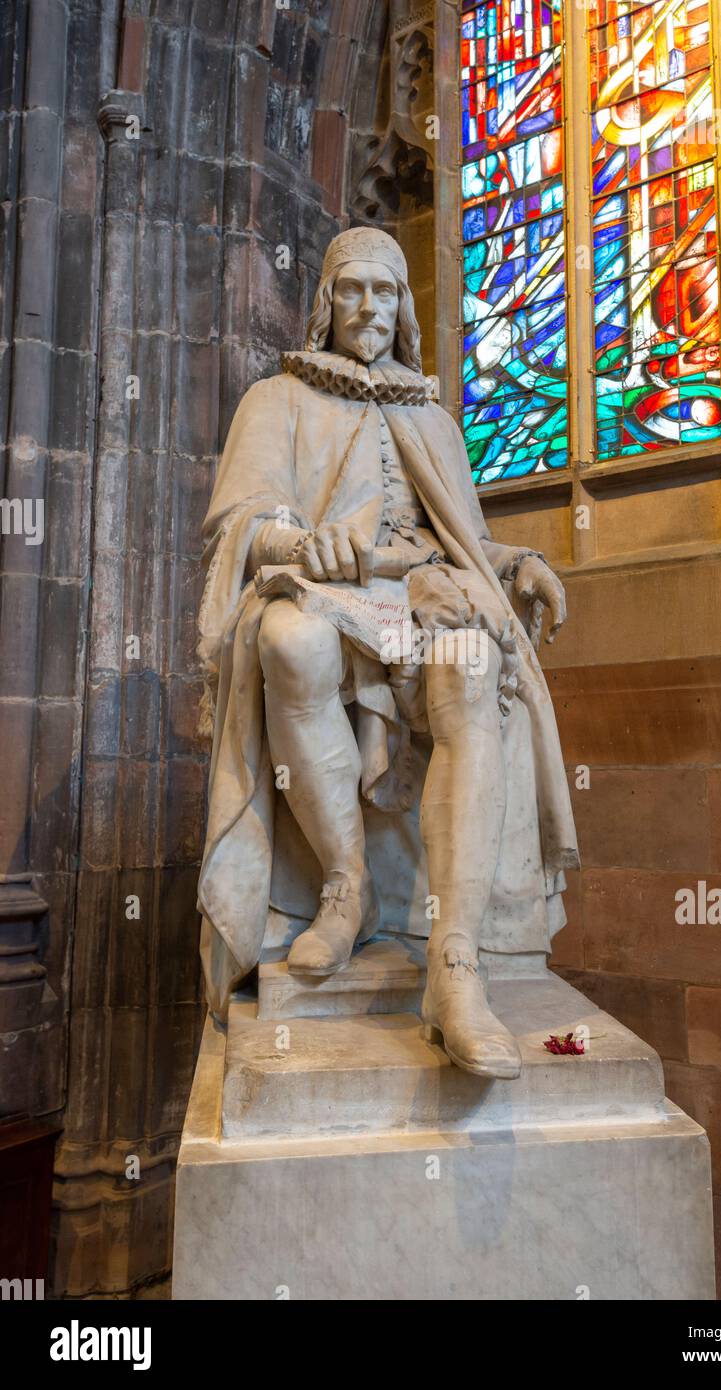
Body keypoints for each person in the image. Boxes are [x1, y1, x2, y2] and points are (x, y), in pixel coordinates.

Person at [196, 227, 578, 1079]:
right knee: (290, 641)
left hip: (421, 607)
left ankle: (454, 965)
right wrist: (301, 542)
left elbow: (467, 541)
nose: (366, 306)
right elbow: (244, 526)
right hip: (328, 598)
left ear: (402, 306)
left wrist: (520, 564)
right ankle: (344, 882)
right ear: (325, 302)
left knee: (474, 669)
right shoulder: (277, 400)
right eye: (349, 290)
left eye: (383, 291)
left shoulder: (431, 417)